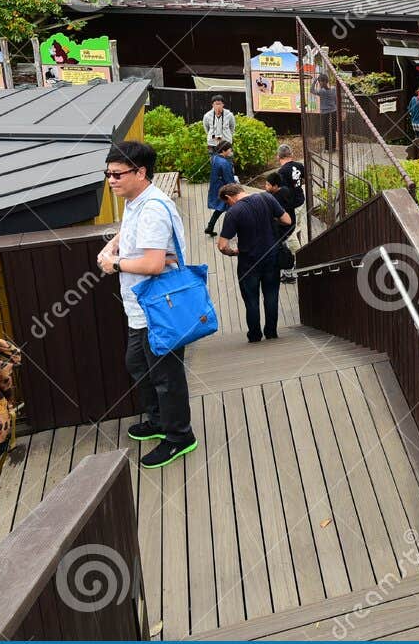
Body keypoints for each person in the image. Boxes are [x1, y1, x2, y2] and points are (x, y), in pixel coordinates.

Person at [98, 140, 198, 470]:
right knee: (139, 364)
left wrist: (115, 264)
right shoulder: (136, 201)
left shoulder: (153, 208)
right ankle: (158, 420)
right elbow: (130, 233)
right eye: (108, 174)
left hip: (158, 307)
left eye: (117, 174)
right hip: (140, 306)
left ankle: (179, 436)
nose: (111, 180)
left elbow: (154, 264)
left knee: (166, 375)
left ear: (140, 173)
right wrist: (113, 245)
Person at [216, 183, 291, 342]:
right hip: (271, 258)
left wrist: (232, 252)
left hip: (248, 263)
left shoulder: (233, 212)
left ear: (229, 197)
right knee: (271, 295)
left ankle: (255, 335)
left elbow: (222, 245)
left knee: (251, 300)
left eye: (226, 202)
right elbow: (287, 220)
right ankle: (271, 332)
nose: (227, 205)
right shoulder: (267, 197)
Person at [204, 139, 236, 235]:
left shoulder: (215, 158)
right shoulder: (225, 163)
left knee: (220, 209)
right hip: (224, 189)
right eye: (230, 150)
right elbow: (229, 179)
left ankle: (210, 227)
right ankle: (231, 231)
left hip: (216, 187)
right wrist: (235, 187)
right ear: (223, 151)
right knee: (233, 210)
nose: (231, 152)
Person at [312, 74, 338, 152]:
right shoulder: (333, 89)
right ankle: (332, 148)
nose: (320, 84)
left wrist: (314, 82)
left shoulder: (321, 91)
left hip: (325, 113)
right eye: (319, 82)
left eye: (320, 82)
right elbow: (336, 100)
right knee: (332, 130)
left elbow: (311, 90)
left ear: (324, 82)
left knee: (327, 130)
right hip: (333, 111)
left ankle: (327, 148)